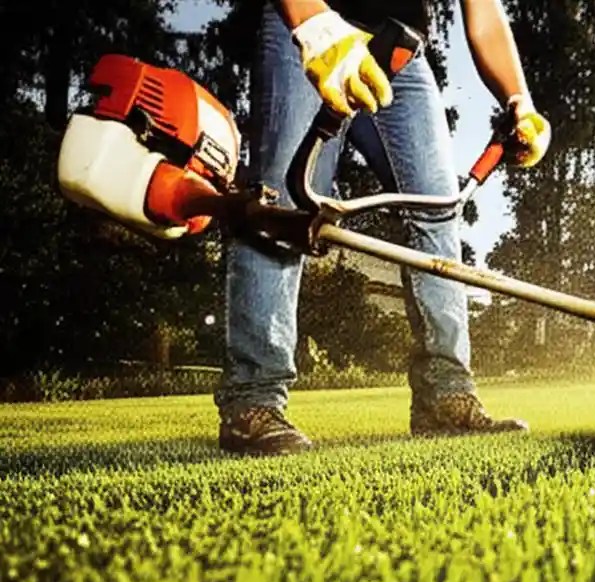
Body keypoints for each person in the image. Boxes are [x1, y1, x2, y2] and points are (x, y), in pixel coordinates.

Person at [214, 0, 550, 455]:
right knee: (281, 206)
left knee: (436, 209)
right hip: (314, 23)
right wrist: (313, 25)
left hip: (401, 51)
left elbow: (485, 14)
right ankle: (251, 403)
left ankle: (445, 397)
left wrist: (519, 98)